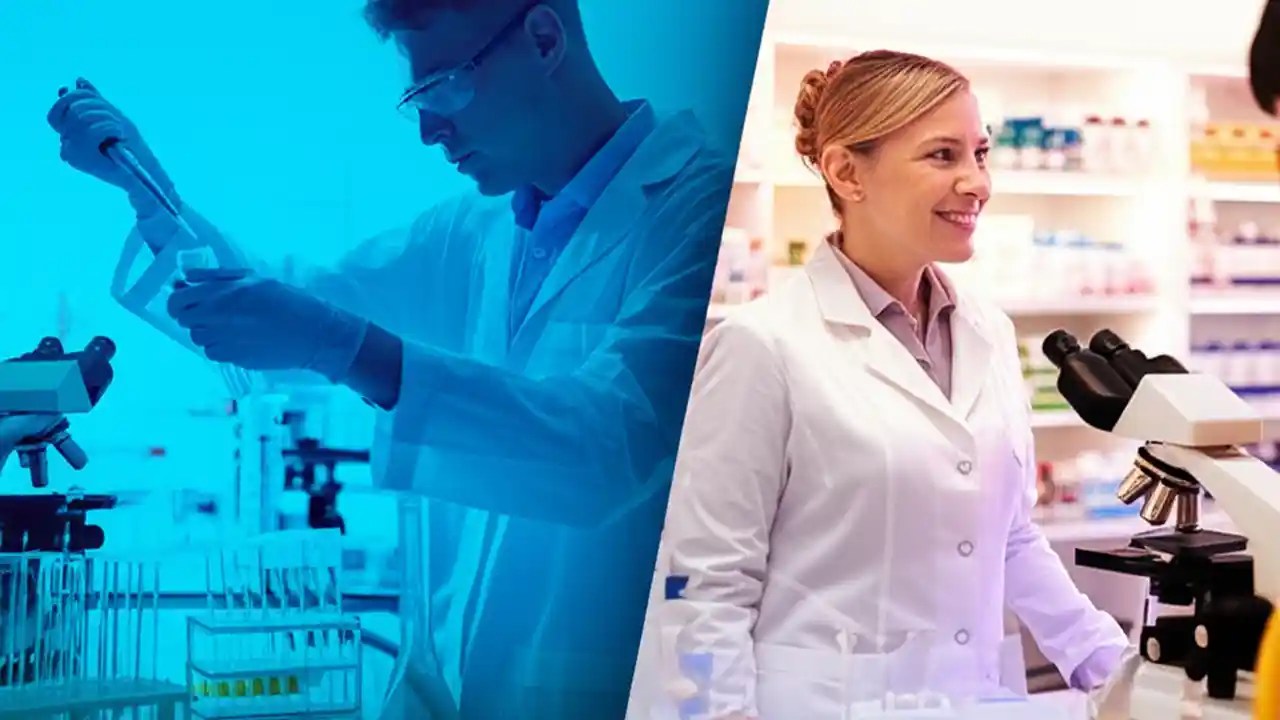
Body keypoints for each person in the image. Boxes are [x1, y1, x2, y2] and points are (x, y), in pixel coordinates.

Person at [45, 0, 737, 717]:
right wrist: (150, 188)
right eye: (417, 101)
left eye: (443, 88)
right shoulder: (473, 233)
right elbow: (290, 304)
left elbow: (608, 445)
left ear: (542, 38)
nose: (431, 131)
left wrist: (340, 343)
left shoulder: (701, 209)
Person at [644, 50, 1129, 720]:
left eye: (981, 154)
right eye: (942, 156)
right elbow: (706, 589)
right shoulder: (763, 346)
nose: (977, 182)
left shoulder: (986, 331)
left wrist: (1121, 673)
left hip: (974, 700)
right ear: (847, 173)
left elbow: (1011, 539)